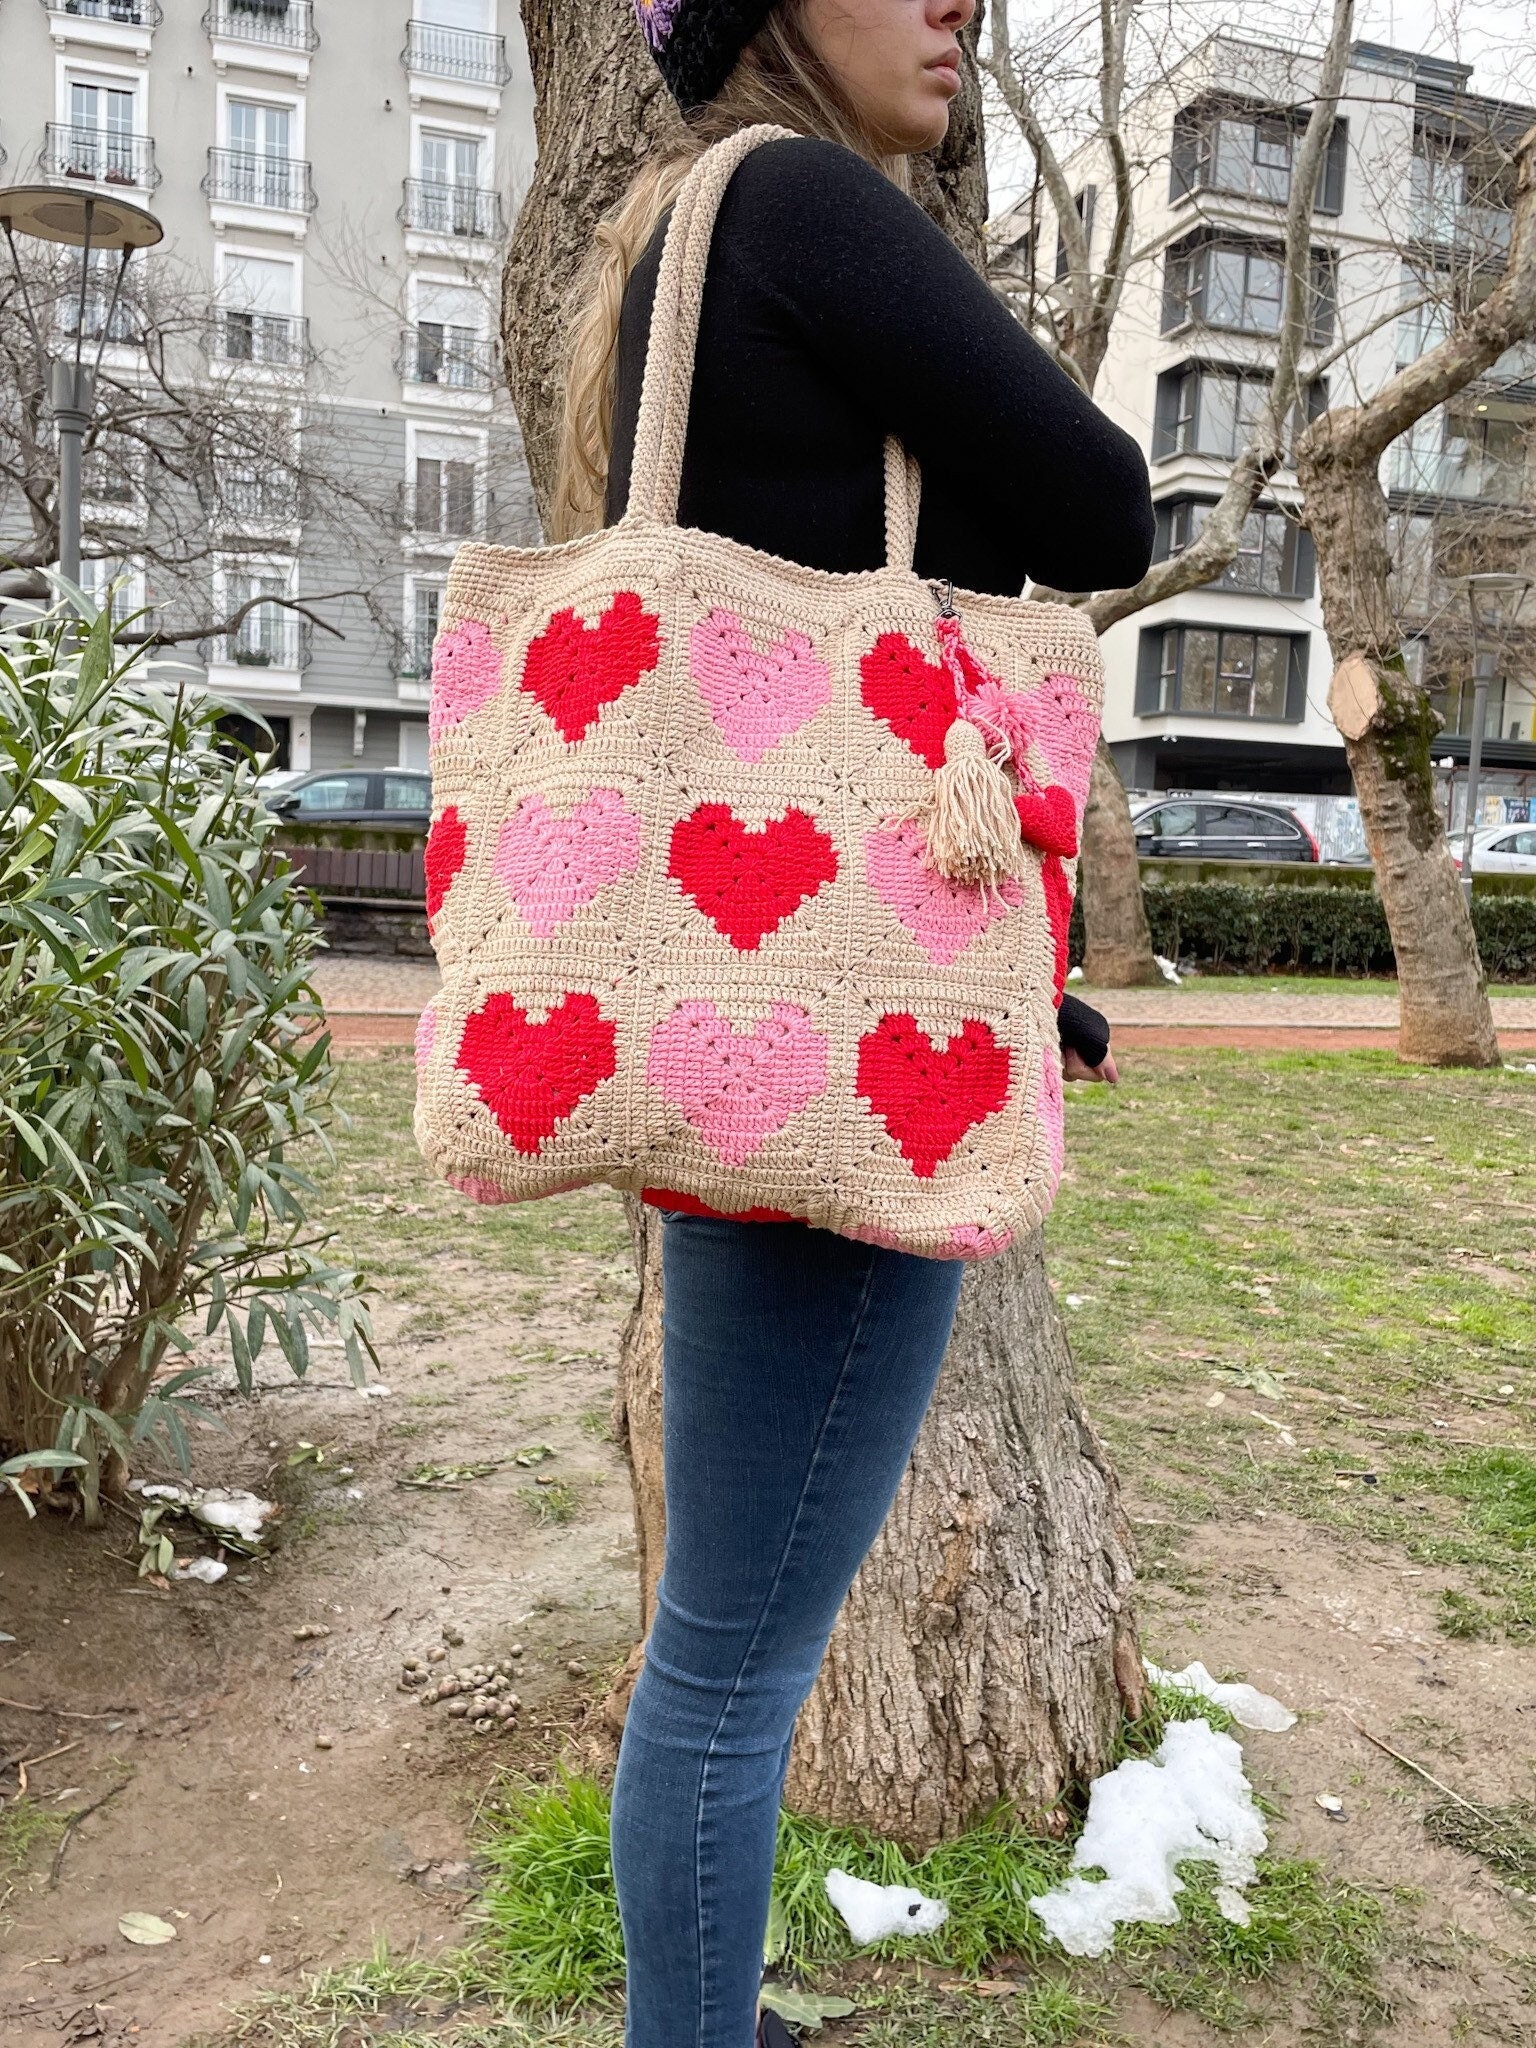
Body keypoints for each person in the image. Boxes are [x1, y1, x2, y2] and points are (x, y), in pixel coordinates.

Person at [549, 4, 1155, 2043]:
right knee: (731, 1663)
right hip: (832, 1106)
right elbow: (1102, 500)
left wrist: (1002, 974)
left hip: (761, 1030)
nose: (963, 2)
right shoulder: (800, 200)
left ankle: (703, 2012)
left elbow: (819, 738)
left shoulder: (676, 246)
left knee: (717, 1647)